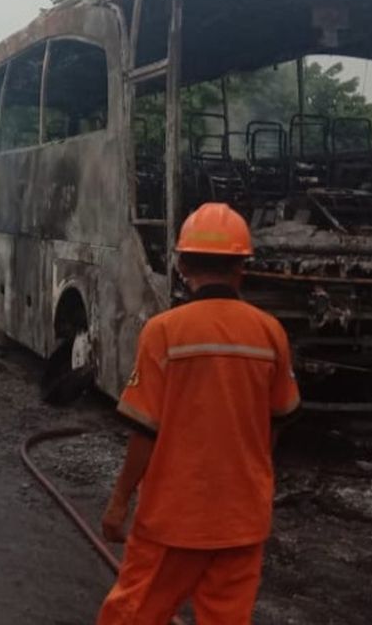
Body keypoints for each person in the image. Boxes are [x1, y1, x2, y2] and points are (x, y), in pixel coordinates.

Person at [96, 203, 301, 625]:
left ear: (183, 264)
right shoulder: (269, 332)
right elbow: (278, 419)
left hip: (174, 519)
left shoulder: (165, 332)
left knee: (132, 616)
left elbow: (144, 432)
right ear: (241, 268)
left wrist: (119, 503)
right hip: (242, 520)